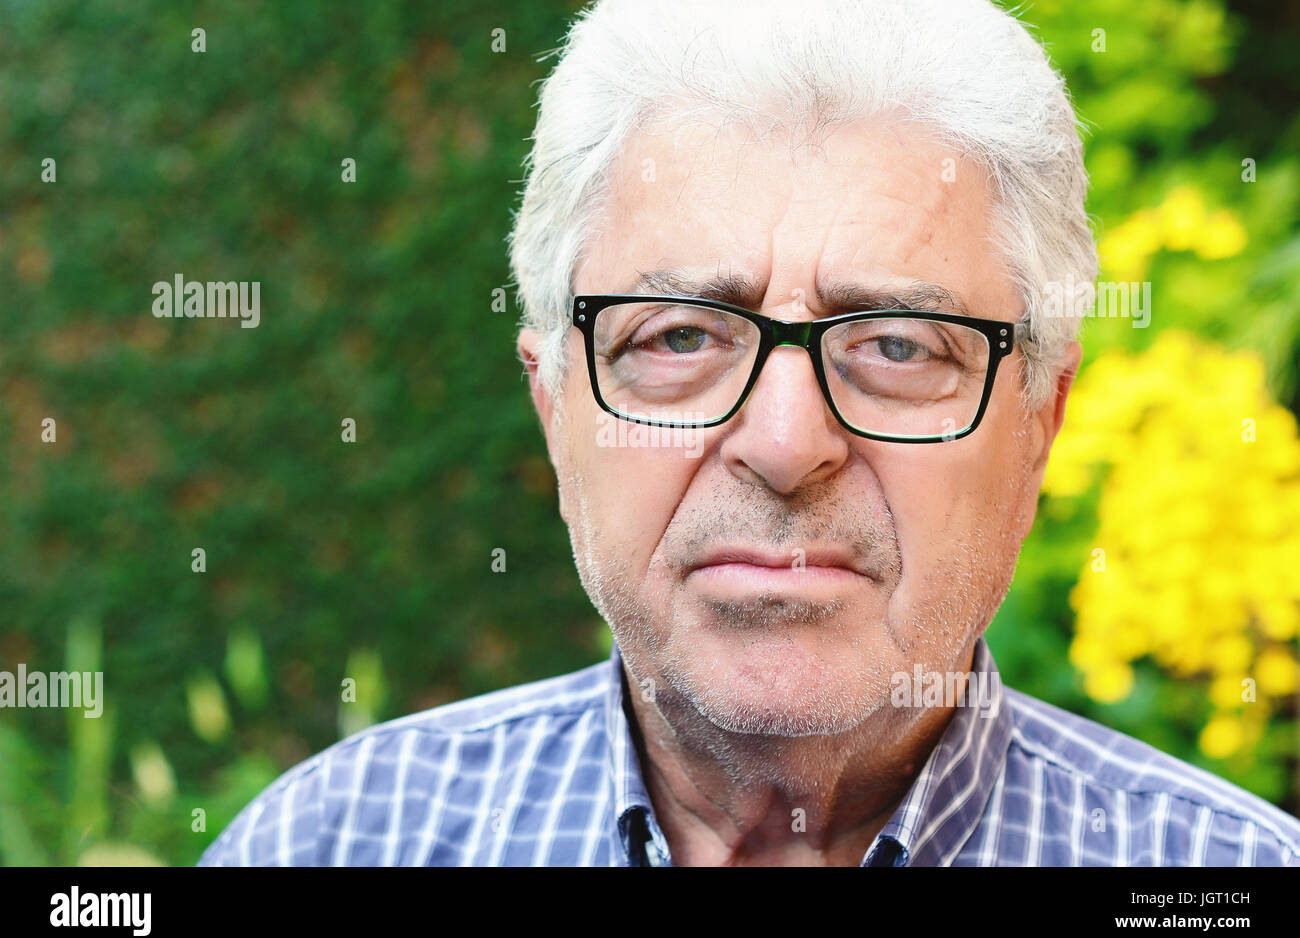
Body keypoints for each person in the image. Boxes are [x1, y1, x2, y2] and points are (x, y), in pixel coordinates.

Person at [199, 0, 1300, 866]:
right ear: (553, 406)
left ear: (1039, 425)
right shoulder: (323, 847)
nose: (783, 441)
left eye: (899, 345)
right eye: (679, 337)